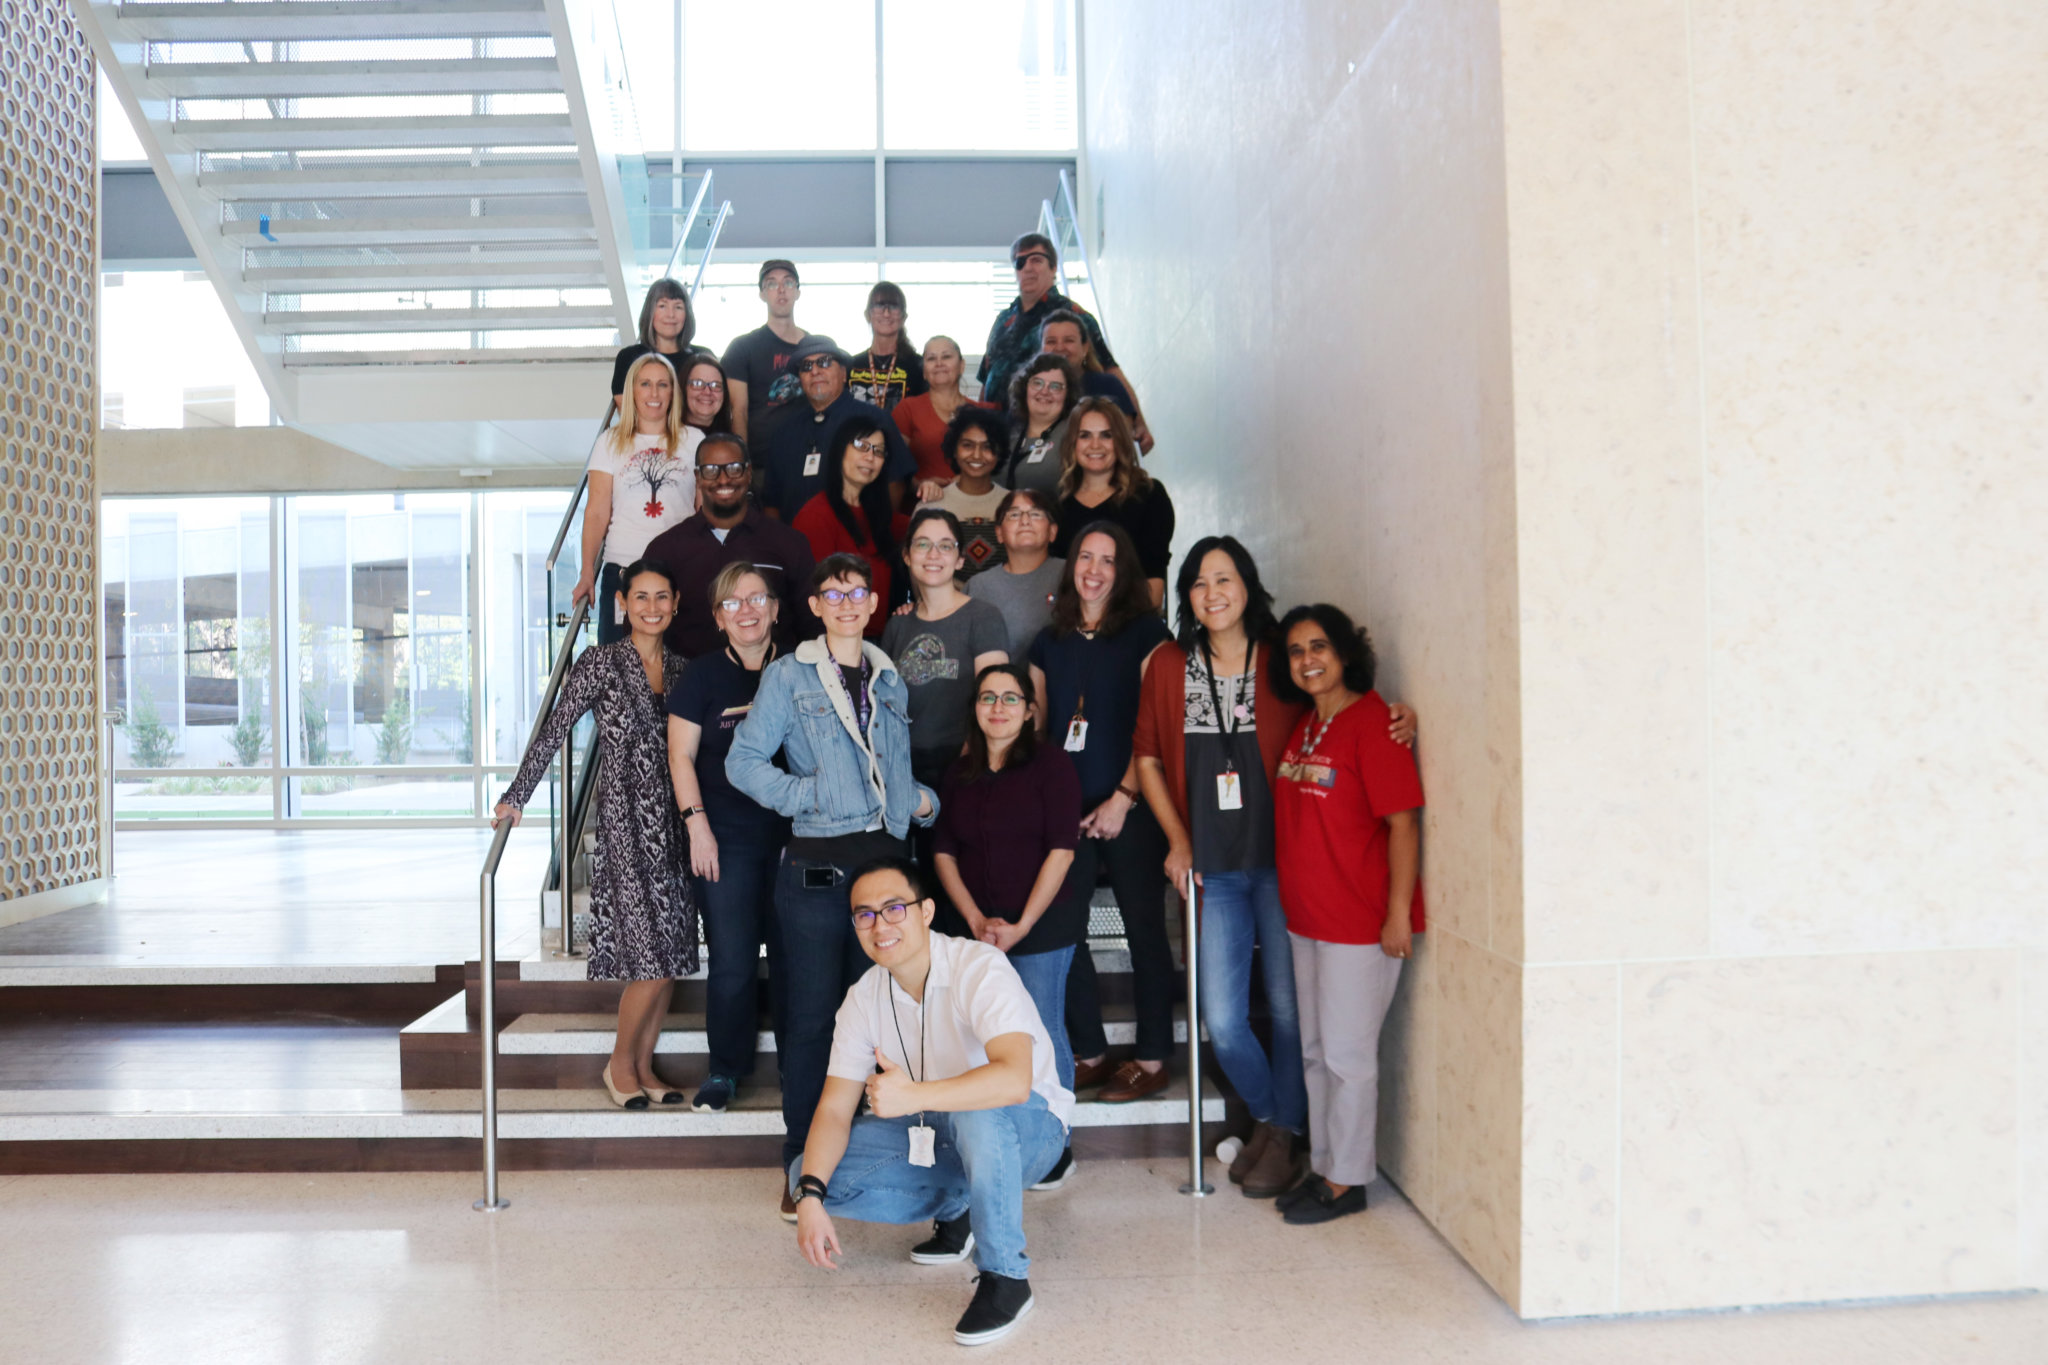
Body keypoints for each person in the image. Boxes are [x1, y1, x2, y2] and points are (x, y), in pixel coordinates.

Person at [1131, 537, 1418, 1200]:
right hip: (1215, 870)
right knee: (1225, 1019)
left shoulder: (1280, 659)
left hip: (1287, 866)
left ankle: (1287, 1134)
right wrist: (1177, 838)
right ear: (1187, 596)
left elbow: (1341, 704)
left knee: (1295, 1016)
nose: (1212, 592)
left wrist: (1401, 715)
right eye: (1199, 582)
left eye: (1224, 578)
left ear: (1247, 584)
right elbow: (1147, 756)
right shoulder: (1171, 664)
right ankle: (1273, 1116)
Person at [726, 555, 940, 1218]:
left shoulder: (888, 675)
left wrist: (917, 803)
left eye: (857, 591)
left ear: (873, 601)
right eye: (832, 592)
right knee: (814, 1018)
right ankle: (801, 1163)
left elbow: (892, 767)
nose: (846, 601)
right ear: (815, 605)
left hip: (887, 864)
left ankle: (879, 1155)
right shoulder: (791, 674)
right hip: (818, 869)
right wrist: (808, 794)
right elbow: (743, 761)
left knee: (887, 1019)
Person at [792, 855, 1070, 1348]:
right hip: (941, 1128)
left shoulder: (978, 966)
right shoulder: (863, 997)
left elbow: (1012, 1080)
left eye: (894, 908)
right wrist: (811, 1199)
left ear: (926, 912)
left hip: (1030, 1127)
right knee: (806, 1174)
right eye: (865, 915)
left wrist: (913, 1095)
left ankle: (1006, 1278)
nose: (880, 926)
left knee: (975, 1113)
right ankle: (964, 1206)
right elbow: (834, 1109)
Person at [494, 559, 699, 1110]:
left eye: (662, 597)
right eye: (641, 598)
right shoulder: (600, 662)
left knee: (674, 956)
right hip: (626, 830)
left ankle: (644, 1066)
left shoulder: (685, 669)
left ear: (676, 603)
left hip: (677, 830)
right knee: (650, 962)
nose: (652, 607)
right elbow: (553, 728)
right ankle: (618, 1063)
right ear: (622, 605)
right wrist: (517, 795)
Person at [1268, 604, 1424, 1225]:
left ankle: (1349, 1181)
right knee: (1314, 1052)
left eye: (1319, 647)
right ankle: (1326, 1166)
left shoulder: (1375, 724)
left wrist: (1396, 916)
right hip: (1306, 918)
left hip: (1360, 924)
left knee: (1348, 1058)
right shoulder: (1307, 725)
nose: (1308, 660)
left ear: (1345, 654)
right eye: (1297, 650)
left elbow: (1403, 825)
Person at [1025, 523, 1175, 1104]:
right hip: (1066, 810)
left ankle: (1153, 1056)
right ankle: (1088, 1049)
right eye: (1085, 557)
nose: (1093, 569)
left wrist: (1124, 797)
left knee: (1143, 931)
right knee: (1065, 929)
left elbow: (1157, 725)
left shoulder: (1147, 635)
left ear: (1124, 572)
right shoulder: (1048, 640)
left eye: (1107, 560)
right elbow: (1037, 729)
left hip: (1131, 808)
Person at [935, 662, 1083, 1189]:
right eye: (988, 698)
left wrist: (1020, 926)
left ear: (1029, 710)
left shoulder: (1052, 765)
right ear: (975, 709)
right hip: (974, 928)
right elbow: (944, 852)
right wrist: (975, 918)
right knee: (981, 1034)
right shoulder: (960, 772)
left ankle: (1056, 1143)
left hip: (1040, 925)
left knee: (1040, 1030)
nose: (998, 708)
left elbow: (1062, 852)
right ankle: (1000, 1134)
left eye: (1010, 698)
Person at [666, 563, 795, 1113]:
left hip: (796, 839)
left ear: (775, 608)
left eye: (757, 599)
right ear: (719, 618)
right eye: (733, 603)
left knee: (797, 960)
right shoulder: (700, 677)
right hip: (726, 839)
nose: (747, 610)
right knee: (734, 960)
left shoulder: (800, 669)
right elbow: (681, 757)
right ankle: (725, 1069)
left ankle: (801, 1066)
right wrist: (698, 826)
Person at [883, 508, 1010, 901]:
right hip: (904, 773)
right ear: (907, 555)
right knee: (908, 888)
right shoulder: (898, 625)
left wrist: (973, 765)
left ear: (959, 558)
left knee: (959, 886)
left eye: (944, 546)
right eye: (922, 544)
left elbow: (996, 697)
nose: (933, 554)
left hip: (962, 764)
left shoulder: (983, 617)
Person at [642, 431, 815, 658]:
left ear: (749, 473)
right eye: (711, 471)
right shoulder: (665, 550)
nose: (723, 479)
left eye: (734, 468)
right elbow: (643, 632)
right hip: (690, 685)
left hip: (774, 682)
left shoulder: (789, 543)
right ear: (698, 477)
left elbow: (813, 627)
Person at [574, 352, 698, 644]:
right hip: (623, 569)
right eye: (645, 384)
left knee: (680, 664)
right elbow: (596, 513)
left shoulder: (694, 440)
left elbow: (701, 510)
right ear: (632, 391)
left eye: (662, 384)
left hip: (680, 570)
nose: (654, 393)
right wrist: (586, 573)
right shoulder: (609, 442)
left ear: (673, 392)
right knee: (617, 667)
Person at [979, 231, 1143, 425]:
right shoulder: (1003, 320)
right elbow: (987, 377)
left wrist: (1139, 421)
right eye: (1020, 263)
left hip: (1049, 430)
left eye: (1036, 260)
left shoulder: (1073, 316)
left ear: (1054, 267)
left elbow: (1109, 368)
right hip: (997, 432)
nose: (1028, 268)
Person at [758, 335, 915, 518]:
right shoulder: (784, 432)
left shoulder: (875, 420)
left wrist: (875, 535)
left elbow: (895, 484)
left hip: (857, 543)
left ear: (843, 373)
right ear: (800, 379)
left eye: (824, 362)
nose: (815, 371)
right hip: (795, 544)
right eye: (806, 366)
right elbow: (772, 500)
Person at [791, 418, 910, 639]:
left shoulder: (879, 514)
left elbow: (925, 533)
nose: (870, 457)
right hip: (836, 641)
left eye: (879, 451)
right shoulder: (816, 517)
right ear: (839, 449)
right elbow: (815, 601)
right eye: (861, 446)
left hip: (882, 640)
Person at [1050, 398, 1175, 607]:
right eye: (1085, 436)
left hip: (1133, 624)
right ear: (1073, 443)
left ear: (1120, 441)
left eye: (1106, 435)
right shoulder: (1059, 506)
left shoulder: (1149, 495)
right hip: (1074, 626)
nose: (1095, 445)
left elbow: (1153, 580)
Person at [1035, 308, 1151, 453]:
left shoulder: (1108, 385)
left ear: (1085, 348)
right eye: (1051, 341)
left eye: (1069, 340)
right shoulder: (1031, 395)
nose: (1059, 347)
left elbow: (1122, 447)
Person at [968, 488, 1063, 659]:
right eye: (1014, 515)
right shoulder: (978, 586)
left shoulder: (1073, 574)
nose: (1025, 521)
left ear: (1053, 531)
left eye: (1036, 514)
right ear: (999, 533)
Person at [916, 408, 1010, 580]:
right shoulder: (931, 505)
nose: (976, 455)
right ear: (954, 449)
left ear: (999, 453)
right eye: (967, 445)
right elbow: (918, 573)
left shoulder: (1012, 504)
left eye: (987, 447)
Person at [721, 259, 808, 443]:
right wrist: (742, 463)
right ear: (762, 294)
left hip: (808, 457)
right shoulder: (742, 348)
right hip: (761, 462)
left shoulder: (813, 348)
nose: (781, 289)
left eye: (788, 282)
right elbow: (738, 412)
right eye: (772, 284)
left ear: (798, 292)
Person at [894, 335, 995, 491]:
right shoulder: (907, 408)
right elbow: (895, 465)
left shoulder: (983, 413)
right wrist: (918, 485)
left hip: (973, 502)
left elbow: (996, 465)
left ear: (962, 365)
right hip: (922, 504)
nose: (939, 364)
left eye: (946, 357)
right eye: (931, 359)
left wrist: (966, 479)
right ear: (924, 372)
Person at [610, 277, 711, 410]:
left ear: (687, 315)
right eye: (662, 306)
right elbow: (626, 409)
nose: (671, 314)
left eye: (678, 307)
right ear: (650, 312)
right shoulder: (629, 357)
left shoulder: (703, 357)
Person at [999, 353, 1080, 499]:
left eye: (1055, 387)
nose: (1044, 391)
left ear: (1068, 394)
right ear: (1024, 388)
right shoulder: (1007, 437)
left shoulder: (1075, 436)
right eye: (1037, 383)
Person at [846, 281, 927, 412]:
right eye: (879, 305)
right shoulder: (851, 365)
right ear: (868, 315)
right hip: (860, 432)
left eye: (894, 307)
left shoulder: (918, 366)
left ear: (903, 317)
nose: (886, 313)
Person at [681, 354, 736, 435]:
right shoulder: (663, 439)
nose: (707, 392)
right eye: (698, 383)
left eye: (715, 385)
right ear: (683, 388)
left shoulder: (732, 443)